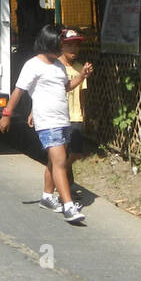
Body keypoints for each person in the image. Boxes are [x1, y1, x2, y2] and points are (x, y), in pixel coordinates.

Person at [0, 24, 92, 223]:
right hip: (48, 122)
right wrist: (6, 114)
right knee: (60, 164)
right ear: (49, 43)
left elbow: (66, 87)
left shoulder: (57, 65)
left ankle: (47, 197)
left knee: (54, 161)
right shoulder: (32, 65)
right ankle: (68, 207)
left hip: (62, 119)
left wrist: (82, 76)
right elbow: (18, 92)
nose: (64, 47)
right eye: (60, 44)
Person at [59, 28, 93, 190]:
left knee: (77, 153)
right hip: (59, 117)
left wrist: (84, 114)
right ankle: (68, 185)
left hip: (76, 116)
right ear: (61, 46)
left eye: (76, 46)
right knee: (63, 153)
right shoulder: (55, 67)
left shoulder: (80, 68)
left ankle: (60, 174)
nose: (74, 49)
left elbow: (82, 94)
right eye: (69, 45)